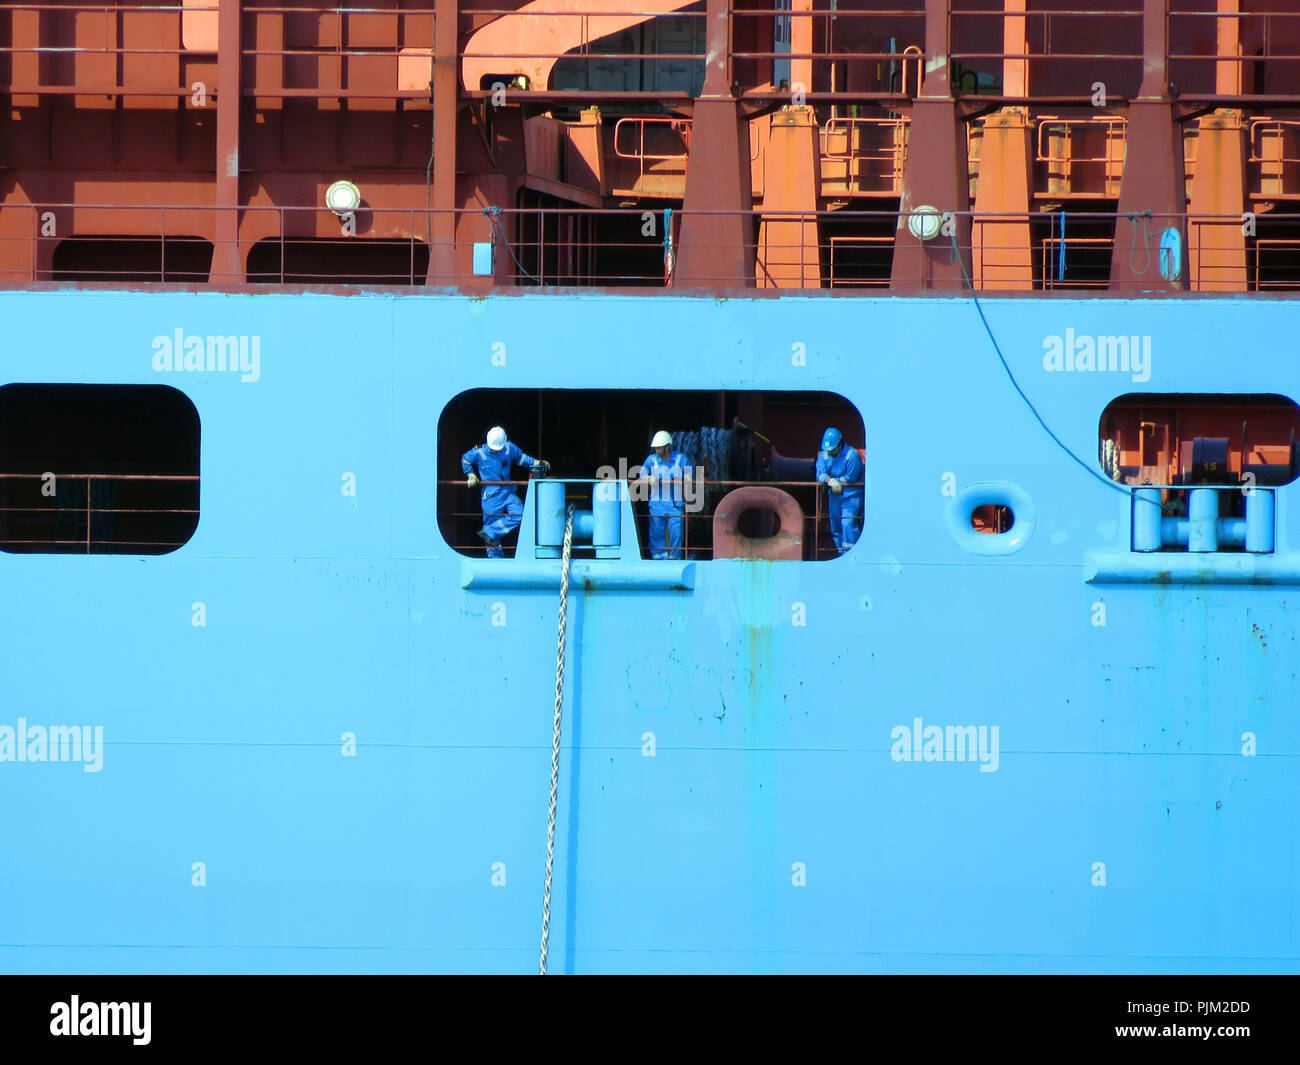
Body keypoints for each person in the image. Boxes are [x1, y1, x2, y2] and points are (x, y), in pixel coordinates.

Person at [462, 426, 548, 558]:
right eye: (493, 448)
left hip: (507, 492)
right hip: (491, 495)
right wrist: (471, 475)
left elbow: (521, 458)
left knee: (518, 515)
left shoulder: (509, 448)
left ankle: (490, 532)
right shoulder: (479, 452)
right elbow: (466, 460)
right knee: (490, 527)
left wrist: (537, 462)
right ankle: (495, 560)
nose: (495, 451)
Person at [638, 430, 692, 560]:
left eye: (659, 448)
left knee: (676, 531)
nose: (656, 450)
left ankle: (675, 557)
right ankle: (658, 557)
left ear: (667, 446)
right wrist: (649, 478)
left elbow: (689, 474)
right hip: (658, 503)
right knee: (656, 530)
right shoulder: (651, 460)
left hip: (676, 503)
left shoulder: (680, 459)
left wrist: (686, 479)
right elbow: (642, 474)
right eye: (655, 448)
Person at [816, 427, 863, 555]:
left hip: (851, 497)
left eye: (832, 449)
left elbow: (851, 478)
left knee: (847, 524)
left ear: (840, 444)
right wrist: (829, 481)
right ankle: (841, 554)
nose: (829, 452)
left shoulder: (851, 455)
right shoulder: (824, 455)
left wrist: (835, 480)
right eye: (827, 449)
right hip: (834, 497)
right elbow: (820, 474)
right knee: (835, 527)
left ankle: (852, 554)